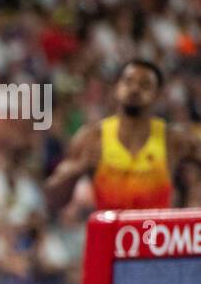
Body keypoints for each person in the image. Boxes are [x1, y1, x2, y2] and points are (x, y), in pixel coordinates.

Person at [45, 60, 201, 211]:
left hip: (155, 235)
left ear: (158, 95)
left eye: (145, 84)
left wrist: (193, 198)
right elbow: (53, 200)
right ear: (116, 88)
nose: (134, 89)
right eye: (128, 81)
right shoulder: (91, 138)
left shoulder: (173, 140)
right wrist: (78, 169)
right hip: (109, 236)